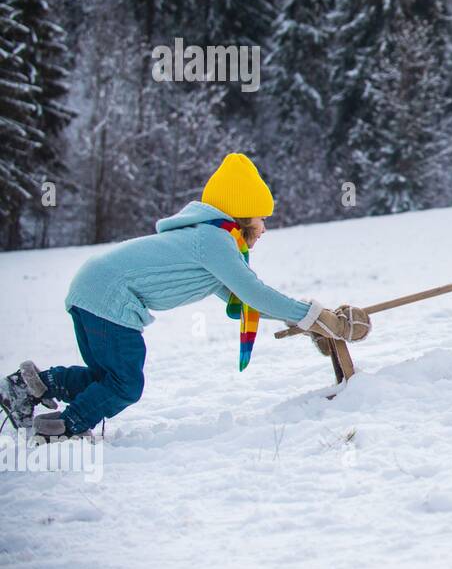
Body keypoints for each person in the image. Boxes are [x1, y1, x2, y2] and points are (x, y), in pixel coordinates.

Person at [0, 153, 371, 438]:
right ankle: (63, 429)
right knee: (125, 385)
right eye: (261, 219)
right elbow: (254, 292)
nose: (264, 228)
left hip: (93, 288)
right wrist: (315, 314)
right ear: (240, 216)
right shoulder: (215, 240)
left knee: (107, 378)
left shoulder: (209, 239)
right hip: (109, 296)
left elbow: (242, 299)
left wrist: (305, 323)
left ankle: (29, 385)